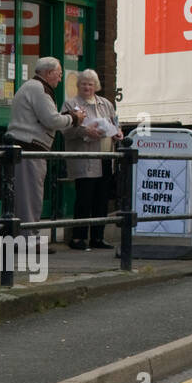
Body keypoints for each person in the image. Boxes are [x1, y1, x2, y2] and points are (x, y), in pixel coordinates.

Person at [5, 57, 85, 240]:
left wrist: (67, 117)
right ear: (48, 73)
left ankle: (22, 237)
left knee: (25, 196)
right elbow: (52, 120)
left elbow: (47, 117)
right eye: (58, 73)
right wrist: (74, 118)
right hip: (29, 149)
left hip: (26, 148)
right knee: (30, 197)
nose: (60, 77)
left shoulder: (34, 87)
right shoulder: (38, 89)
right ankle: (28, 239)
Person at [61, 69, 123, 250]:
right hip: (85, 158)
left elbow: (116, 124)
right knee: (84, 198)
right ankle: (78, 238)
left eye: (90, 84)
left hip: (105, 156)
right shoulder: (71, 104)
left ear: (96, 86)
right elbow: (65, 130)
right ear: (78, 85)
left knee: (101, 199)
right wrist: (84, 131)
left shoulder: (105, 104)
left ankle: (98, 237)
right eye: (83, 83)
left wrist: (118, 133)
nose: (87, 87)